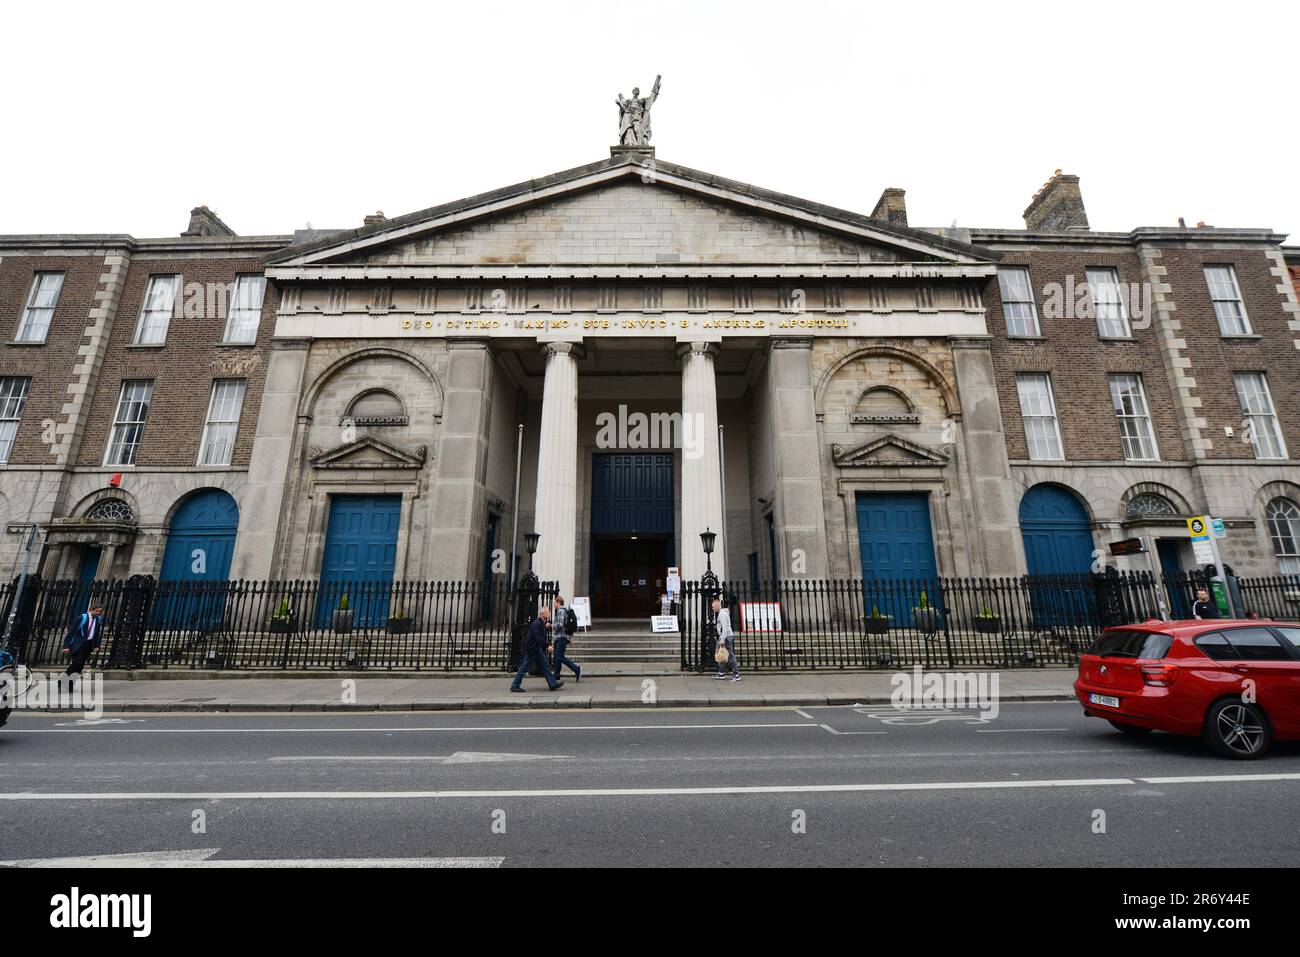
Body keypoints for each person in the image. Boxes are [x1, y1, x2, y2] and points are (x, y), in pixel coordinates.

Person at [511, 607, 563, 693]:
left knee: (545, 665)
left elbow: (540, 634)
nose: (549, 613)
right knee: (524, 668)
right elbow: (538, 637)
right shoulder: (537, 623)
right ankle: (515, 685)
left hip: (536, 648)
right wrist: (547, 646)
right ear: (543, 614)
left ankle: (552, 683)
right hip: (532, 649)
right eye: (548, 612)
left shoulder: (541, 623)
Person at [62, 603, 104, 688]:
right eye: (97, 611)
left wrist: (96, 645)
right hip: (78, 644)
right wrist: (66, 646)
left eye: (100, 611)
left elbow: (96, 634)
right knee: (76, 663)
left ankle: (70, 684)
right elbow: (72, 632)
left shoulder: (98, 619)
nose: (98, 613)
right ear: (92, 610)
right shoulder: (82, 618)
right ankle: (62, 681)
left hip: (88, 645)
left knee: (80, 666)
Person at [550, 596, 581, 681]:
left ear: (559, 602)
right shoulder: (564, 611)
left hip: (561, 637)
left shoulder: (560, 611)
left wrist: (551, 625)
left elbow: (560, 625)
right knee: (557, 657)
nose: (554, 604)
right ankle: (556, 675)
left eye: (554, 603)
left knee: (559, 657)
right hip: (561, 637)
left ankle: (576, 669)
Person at [712, 597, 740, 682]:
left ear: (717, 606)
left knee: (730, 655)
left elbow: (725, 628)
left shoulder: (722, 615)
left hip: (726, 636)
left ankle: (736, 674)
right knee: (718, 652)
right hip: (724, 636)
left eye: (713, 607)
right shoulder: (721, 614)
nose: (712, 609)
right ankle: (721, 672)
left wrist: (723, 639)